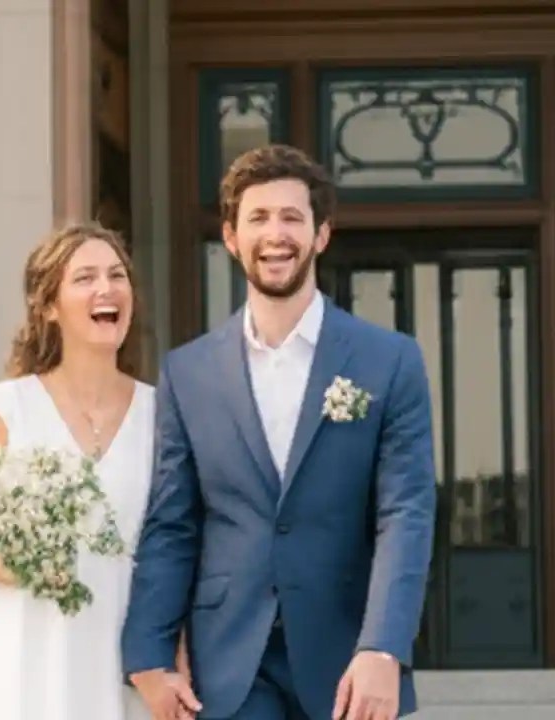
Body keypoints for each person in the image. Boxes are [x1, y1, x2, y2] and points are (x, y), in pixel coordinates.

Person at [121, 144, 438, 720]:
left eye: (292, 217)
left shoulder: (389, 361)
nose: (276, 234)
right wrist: (149, 650)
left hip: (348, 657)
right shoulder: (187, 373)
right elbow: (173, 522)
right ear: (231, 237)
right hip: (230, 661)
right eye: (258, 218)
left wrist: (385, 647)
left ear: (321, 235)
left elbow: (407, 514)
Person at [0, 222, 162, 719]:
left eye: (116, 275)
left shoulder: (161, 413)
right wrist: (37, 563)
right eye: (84, 278)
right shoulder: (7, 408)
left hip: (121, 647)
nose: (105, 288)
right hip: (29, 649)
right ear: (48, 307)